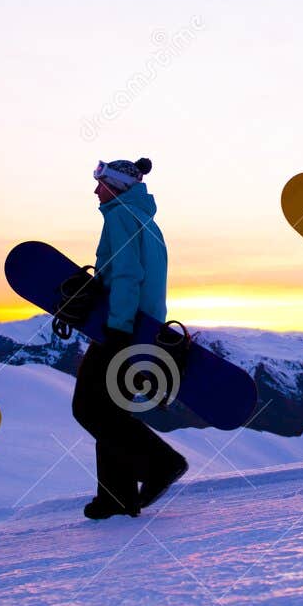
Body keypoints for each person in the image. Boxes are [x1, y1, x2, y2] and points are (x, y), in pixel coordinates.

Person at [71, 157, 190, 520]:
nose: (95, 189)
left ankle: (161, 464)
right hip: (143, 326)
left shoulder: (120, 215)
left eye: (100, 182)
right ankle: (116, 496)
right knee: (111, 407)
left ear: (118, 185)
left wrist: (118, 329)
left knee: (89, 406)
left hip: (123, 325)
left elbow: (127, 274)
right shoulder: (147, 221)